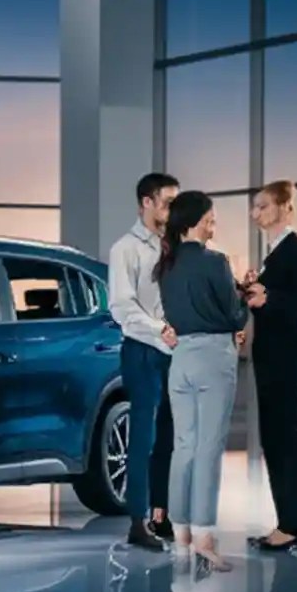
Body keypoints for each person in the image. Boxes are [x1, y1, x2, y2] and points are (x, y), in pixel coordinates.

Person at [155, 190, 249, 571]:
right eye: (210, 219)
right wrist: (243, 296)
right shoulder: (216, 261)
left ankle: (181, 535)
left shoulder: (166, 264)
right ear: (194, 223)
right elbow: (232, 315)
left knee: (184, 448)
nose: (214, 225)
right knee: (209, 449)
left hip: (181, 361)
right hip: (213, 359)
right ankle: (206, 538)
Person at [244, 180, 297, 551]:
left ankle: (293, 524)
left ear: (285, 207)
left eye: (263, 206)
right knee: (275, 437)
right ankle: (286, 521)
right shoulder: (274, 253)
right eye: (254, 207)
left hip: (286, 358)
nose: (255, 213)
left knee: (286, 437)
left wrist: (267, 296)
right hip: (273, 357)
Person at [109, 172, 180, 550]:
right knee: (144, 438)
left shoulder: (175, 246)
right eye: (168, 202)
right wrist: (159, 330)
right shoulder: (125, 249)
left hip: (174, 351)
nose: (172, 210)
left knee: (168, 437)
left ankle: (160, 514)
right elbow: (121, 306)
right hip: (142, 350)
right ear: (146, 203)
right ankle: (137, 522)